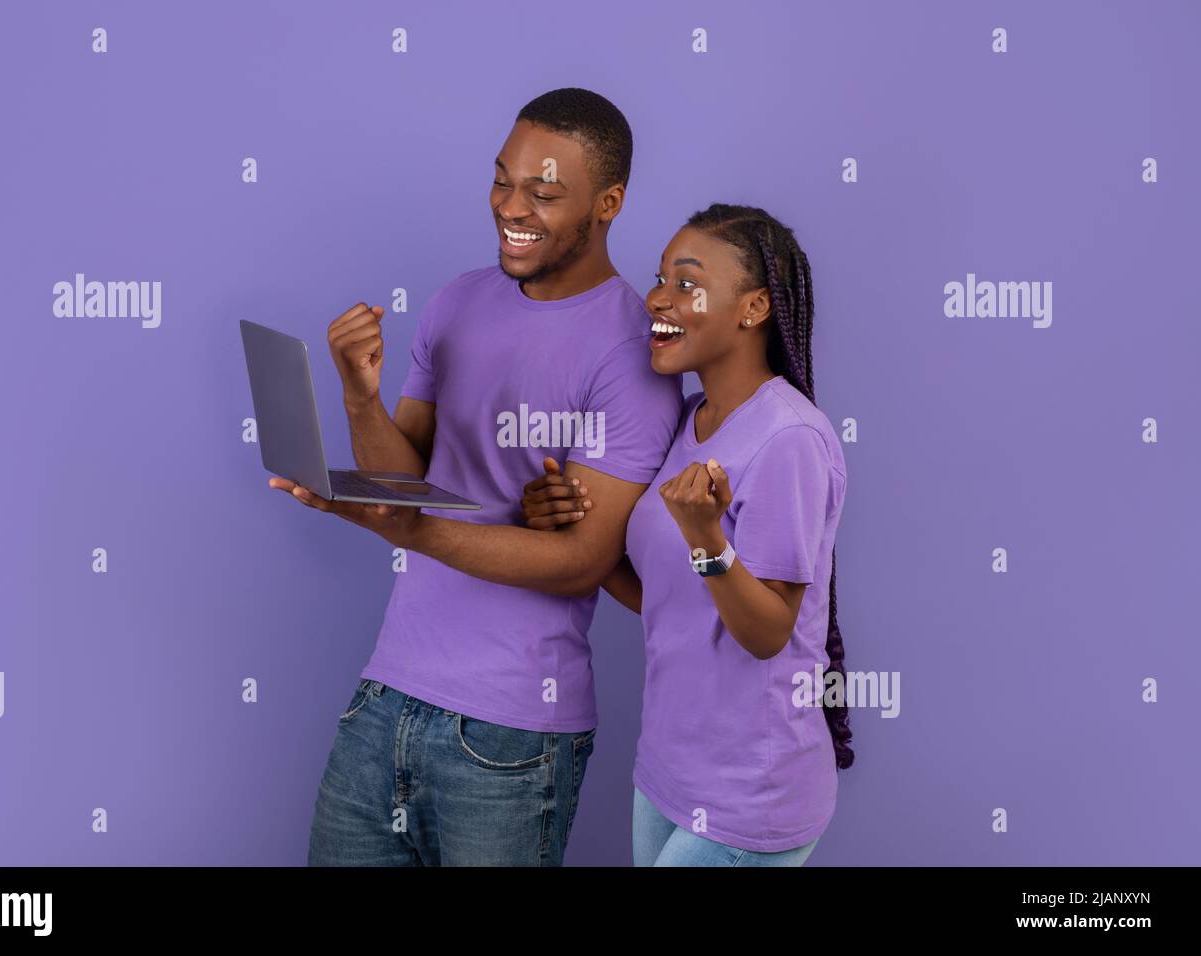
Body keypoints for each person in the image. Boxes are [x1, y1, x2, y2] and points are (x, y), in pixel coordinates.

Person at [269, 88, 684, 865]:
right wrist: (360, 396)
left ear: (609, 203)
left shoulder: (636, 353)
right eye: (502, 179)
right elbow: (404, 484)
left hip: (512, 735)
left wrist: (410, 529)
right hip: (384, 696)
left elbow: (581, 562)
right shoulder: (457, 302)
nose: (511, 206)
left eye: (544, 192)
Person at [518, 203, 853, 866]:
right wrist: (572, 523)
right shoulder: (692, 419)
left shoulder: (788, 438)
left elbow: (765, 634)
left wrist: (705, 535)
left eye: (687, 283)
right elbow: (669, 600)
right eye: (660, 278)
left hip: (749, 789)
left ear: (753, 308)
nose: (658, 299)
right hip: (670, 769)